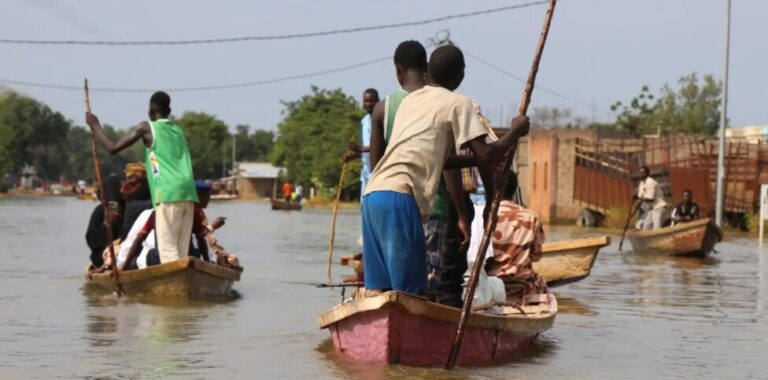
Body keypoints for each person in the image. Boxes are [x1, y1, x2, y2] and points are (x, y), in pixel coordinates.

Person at [361, 44, 530, 295]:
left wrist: (473, 161)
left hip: (372, 196)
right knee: (411, 295)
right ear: (461, 76)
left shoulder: (410, 101)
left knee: (379, 291)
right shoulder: (458, 104)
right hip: (401, 198)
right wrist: (516, 131)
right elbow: (486, 155)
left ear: (429, 71)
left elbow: (440, 159)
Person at [87, 91, 198, 265]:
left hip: (168, 194)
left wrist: (95, 125)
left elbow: (113, 147)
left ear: (151, 111)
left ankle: (172, 291)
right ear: (169, 110)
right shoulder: (178, 131)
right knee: (181, 252)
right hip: (189, 195)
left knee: (168, 251)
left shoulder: (146, 127)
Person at [484, 173, 548, 307]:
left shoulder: (485, 215)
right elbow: (536, 256)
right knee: (542, 284)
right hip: (521, 284)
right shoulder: (529, 217)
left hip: (488, 282)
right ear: (514, 189)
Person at [85, 176, 123, 268]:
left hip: (122, 251)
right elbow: (91, 240)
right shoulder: (100, 211)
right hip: (102, 254)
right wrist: (106, 224)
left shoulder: (127, 208)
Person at [634, 166, 667, 230]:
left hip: (659, 208)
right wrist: (632, 213)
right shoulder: (642, 183)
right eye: (640, 172)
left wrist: (638, 198)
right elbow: (640, 199)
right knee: (645, 229)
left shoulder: (650, 182)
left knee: (656, 230)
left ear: (647, 174)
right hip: (651, 209)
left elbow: (650, 199)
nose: (641, 174)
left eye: (643, 172)